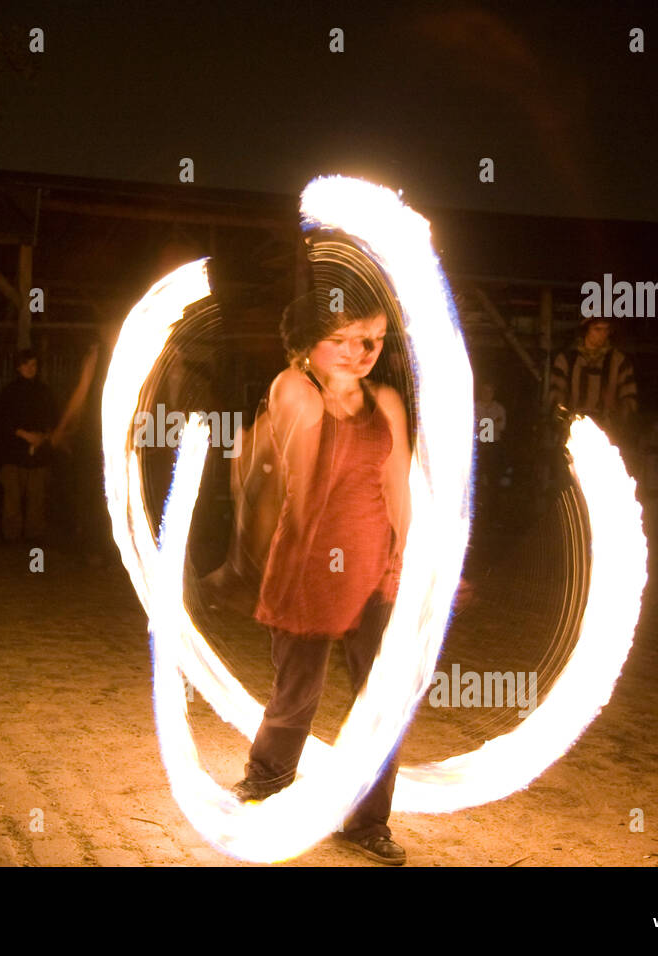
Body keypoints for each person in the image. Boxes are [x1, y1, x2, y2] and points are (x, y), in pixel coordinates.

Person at [227, 282, 411, 866]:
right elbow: (297, 480)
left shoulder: (386, 405)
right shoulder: (292, 390)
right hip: (308, 565)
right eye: (343, 340)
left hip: (374, 568)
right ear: (307, 344)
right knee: (297, 691)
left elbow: (397, 487)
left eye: (373, 341)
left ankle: (367, 820)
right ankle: (266, 784)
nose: (361, 353)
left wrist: (409, 554)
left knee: (380, 699)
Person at [0, 348, 57, 544]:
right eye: (26, 365)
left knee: (36, 497)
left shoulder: (44, 391)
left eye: (33, 365)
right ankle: (12, 535)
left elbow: (53, 418)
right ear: (18, 367)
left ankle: (34, 535)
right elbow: (2, 421)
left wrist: (43, 437)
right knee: (13, 498)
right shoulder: (9, 392)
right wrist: (24, 435)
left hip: (38, 455)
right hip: (13, 454)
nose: (30, 369)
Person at [548, 316, 637, 444]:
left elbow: (629, 399)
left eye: (606, 330)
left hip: (607, 434)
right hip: (574, 434)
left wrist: (617, 419)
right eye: (597, 329)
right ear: (586, 330)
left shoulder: (619, 362)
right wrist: (565, 422)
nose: (602, 335)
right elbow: (556, 395)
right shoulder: (567, 360)